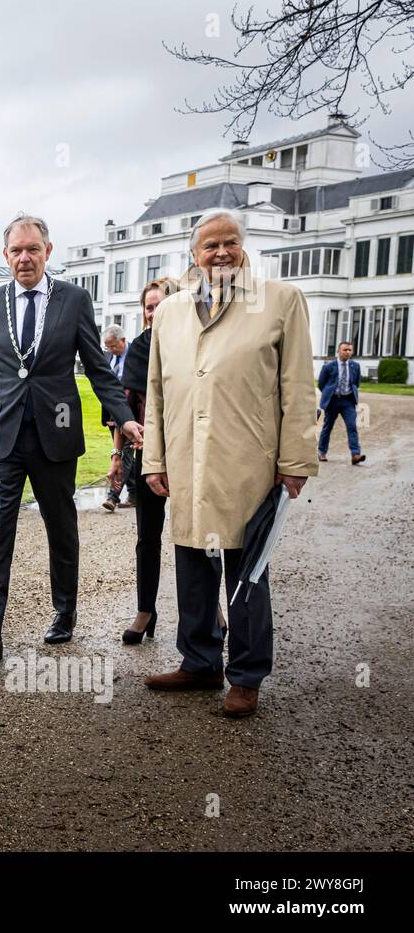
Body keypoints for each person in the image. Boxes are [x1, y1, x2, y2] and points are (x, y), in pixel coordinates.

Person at [141, 211, 317, 717]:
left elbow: (299, 387)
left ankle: (246, 675)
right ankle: (199, 662)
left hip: (248, 464)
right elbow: (156, 392)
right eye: (210, 245)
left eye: (230, 243)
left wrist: (295, 461)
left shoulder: (280, 301)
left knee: (247, 572)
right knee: (193, 566)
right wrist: (155, 458)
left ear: (243, 247)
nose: (221, 253)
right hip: (186, 461)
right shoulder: (170, 312)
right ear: (193, 255)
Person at [0, 214, 141, 672]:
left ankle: (65, 612)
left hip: (55, 438)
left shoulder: (73, 300)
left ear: (48, 251)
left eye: (32, 249)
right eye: (16, 250)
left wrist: (124, 418)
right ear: (5, 255)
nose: (24, 258)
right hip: (3, 439)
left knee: (61, 529)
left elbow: (98, 368)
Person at [117, 278, 178, 643]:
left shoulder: (193, 344)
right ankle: (145, 610)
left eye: (161, 305)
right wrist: (118, 454)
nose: (153, 312)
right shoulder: (140, 348)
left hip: (188, 451)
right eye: (149, 307)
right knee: (147, 536)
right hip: (149, 452)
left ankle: (209, 610)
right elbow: (127, 404)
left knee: (198, 536)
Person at [100, 324, 134, 511]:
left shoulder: (134, 355)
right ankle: (134, 493)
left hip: (129, 415)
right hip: (111, 415)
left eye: (113, 346)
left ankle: (112, 496)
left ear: (123, 340)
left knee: (123, 454)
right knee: (125, 454)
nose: (111, 350)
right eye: (108, 347)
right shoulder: (107, 357)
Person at [317, 341, 365, 464]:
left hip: (348, 401)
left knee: (352, 426)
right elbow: (321, 384)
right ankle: (321, 452)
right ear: (338, 351)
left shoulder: (355, 366)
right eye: (345, 350)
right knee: (327, 427)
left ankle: (355, 454)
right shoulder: (328, 366)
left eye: (349, 350)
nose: (347, 352)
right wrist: (329, 394)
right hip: (332, 401)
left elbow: (356, 383)